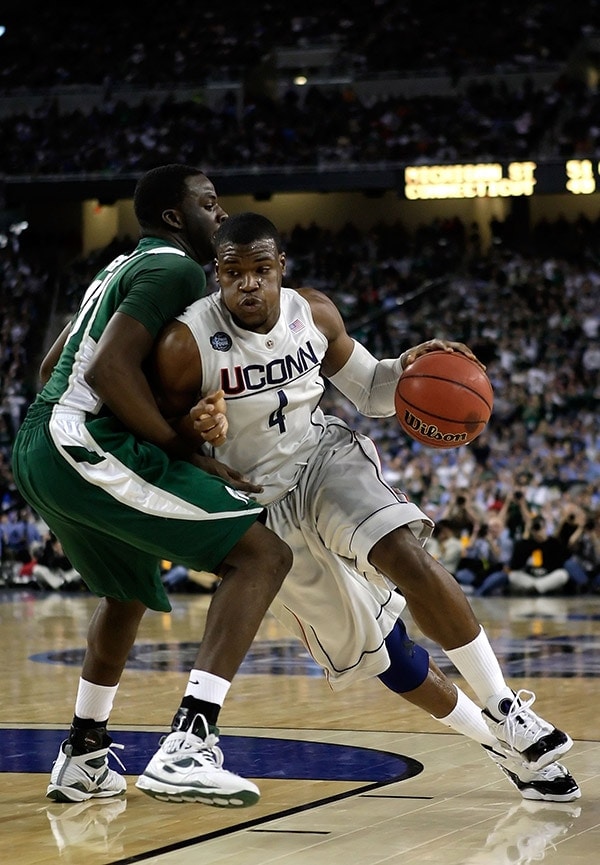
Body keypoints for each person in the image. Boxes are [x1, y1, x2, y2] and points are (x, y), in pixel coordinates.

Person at [148, 212, 579, 802]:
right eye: (232, 273)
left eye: (260, 270)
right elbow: (162, 434)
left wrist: (407, 369)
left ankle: (507, 710)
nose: (247, 284)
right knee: (386, 655)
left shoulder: (314, 313)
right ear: (216, 276)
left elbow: (373, 391)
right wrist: (191, 433)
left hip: (321, 457)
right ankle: (502, 748)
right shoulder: (186, 342)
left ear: (281, 270)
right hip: (261, 508)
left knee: (401, 548)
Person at [10, 168, 293, 808]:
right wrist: (179, 446)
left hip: (44, 442)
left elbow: (54, 365)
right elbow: (110, 368)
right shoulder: (178, 271)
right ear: (174, 217)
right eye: (208, 204)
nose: (220, 216)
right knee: (262, 555)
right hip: (80, 441)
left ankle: (84, 754)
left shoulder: (119, 268)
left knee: (125, 593)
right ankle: (189, 744)